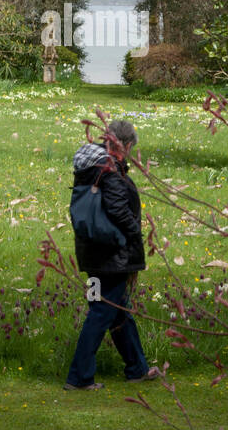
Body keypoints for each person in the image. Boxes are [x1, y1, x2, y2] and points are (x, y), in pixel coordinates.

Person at [63, 119, 163, 391]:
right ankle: (79, 378)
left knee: (119, 313)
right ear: (126, 145)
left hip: (93, 254)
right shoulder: (110, 171)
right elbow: (118, 210)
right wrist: (136, 235)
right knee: (101, 312)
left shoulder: (90, 168)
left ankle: (137, 368)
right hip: (112, 257)